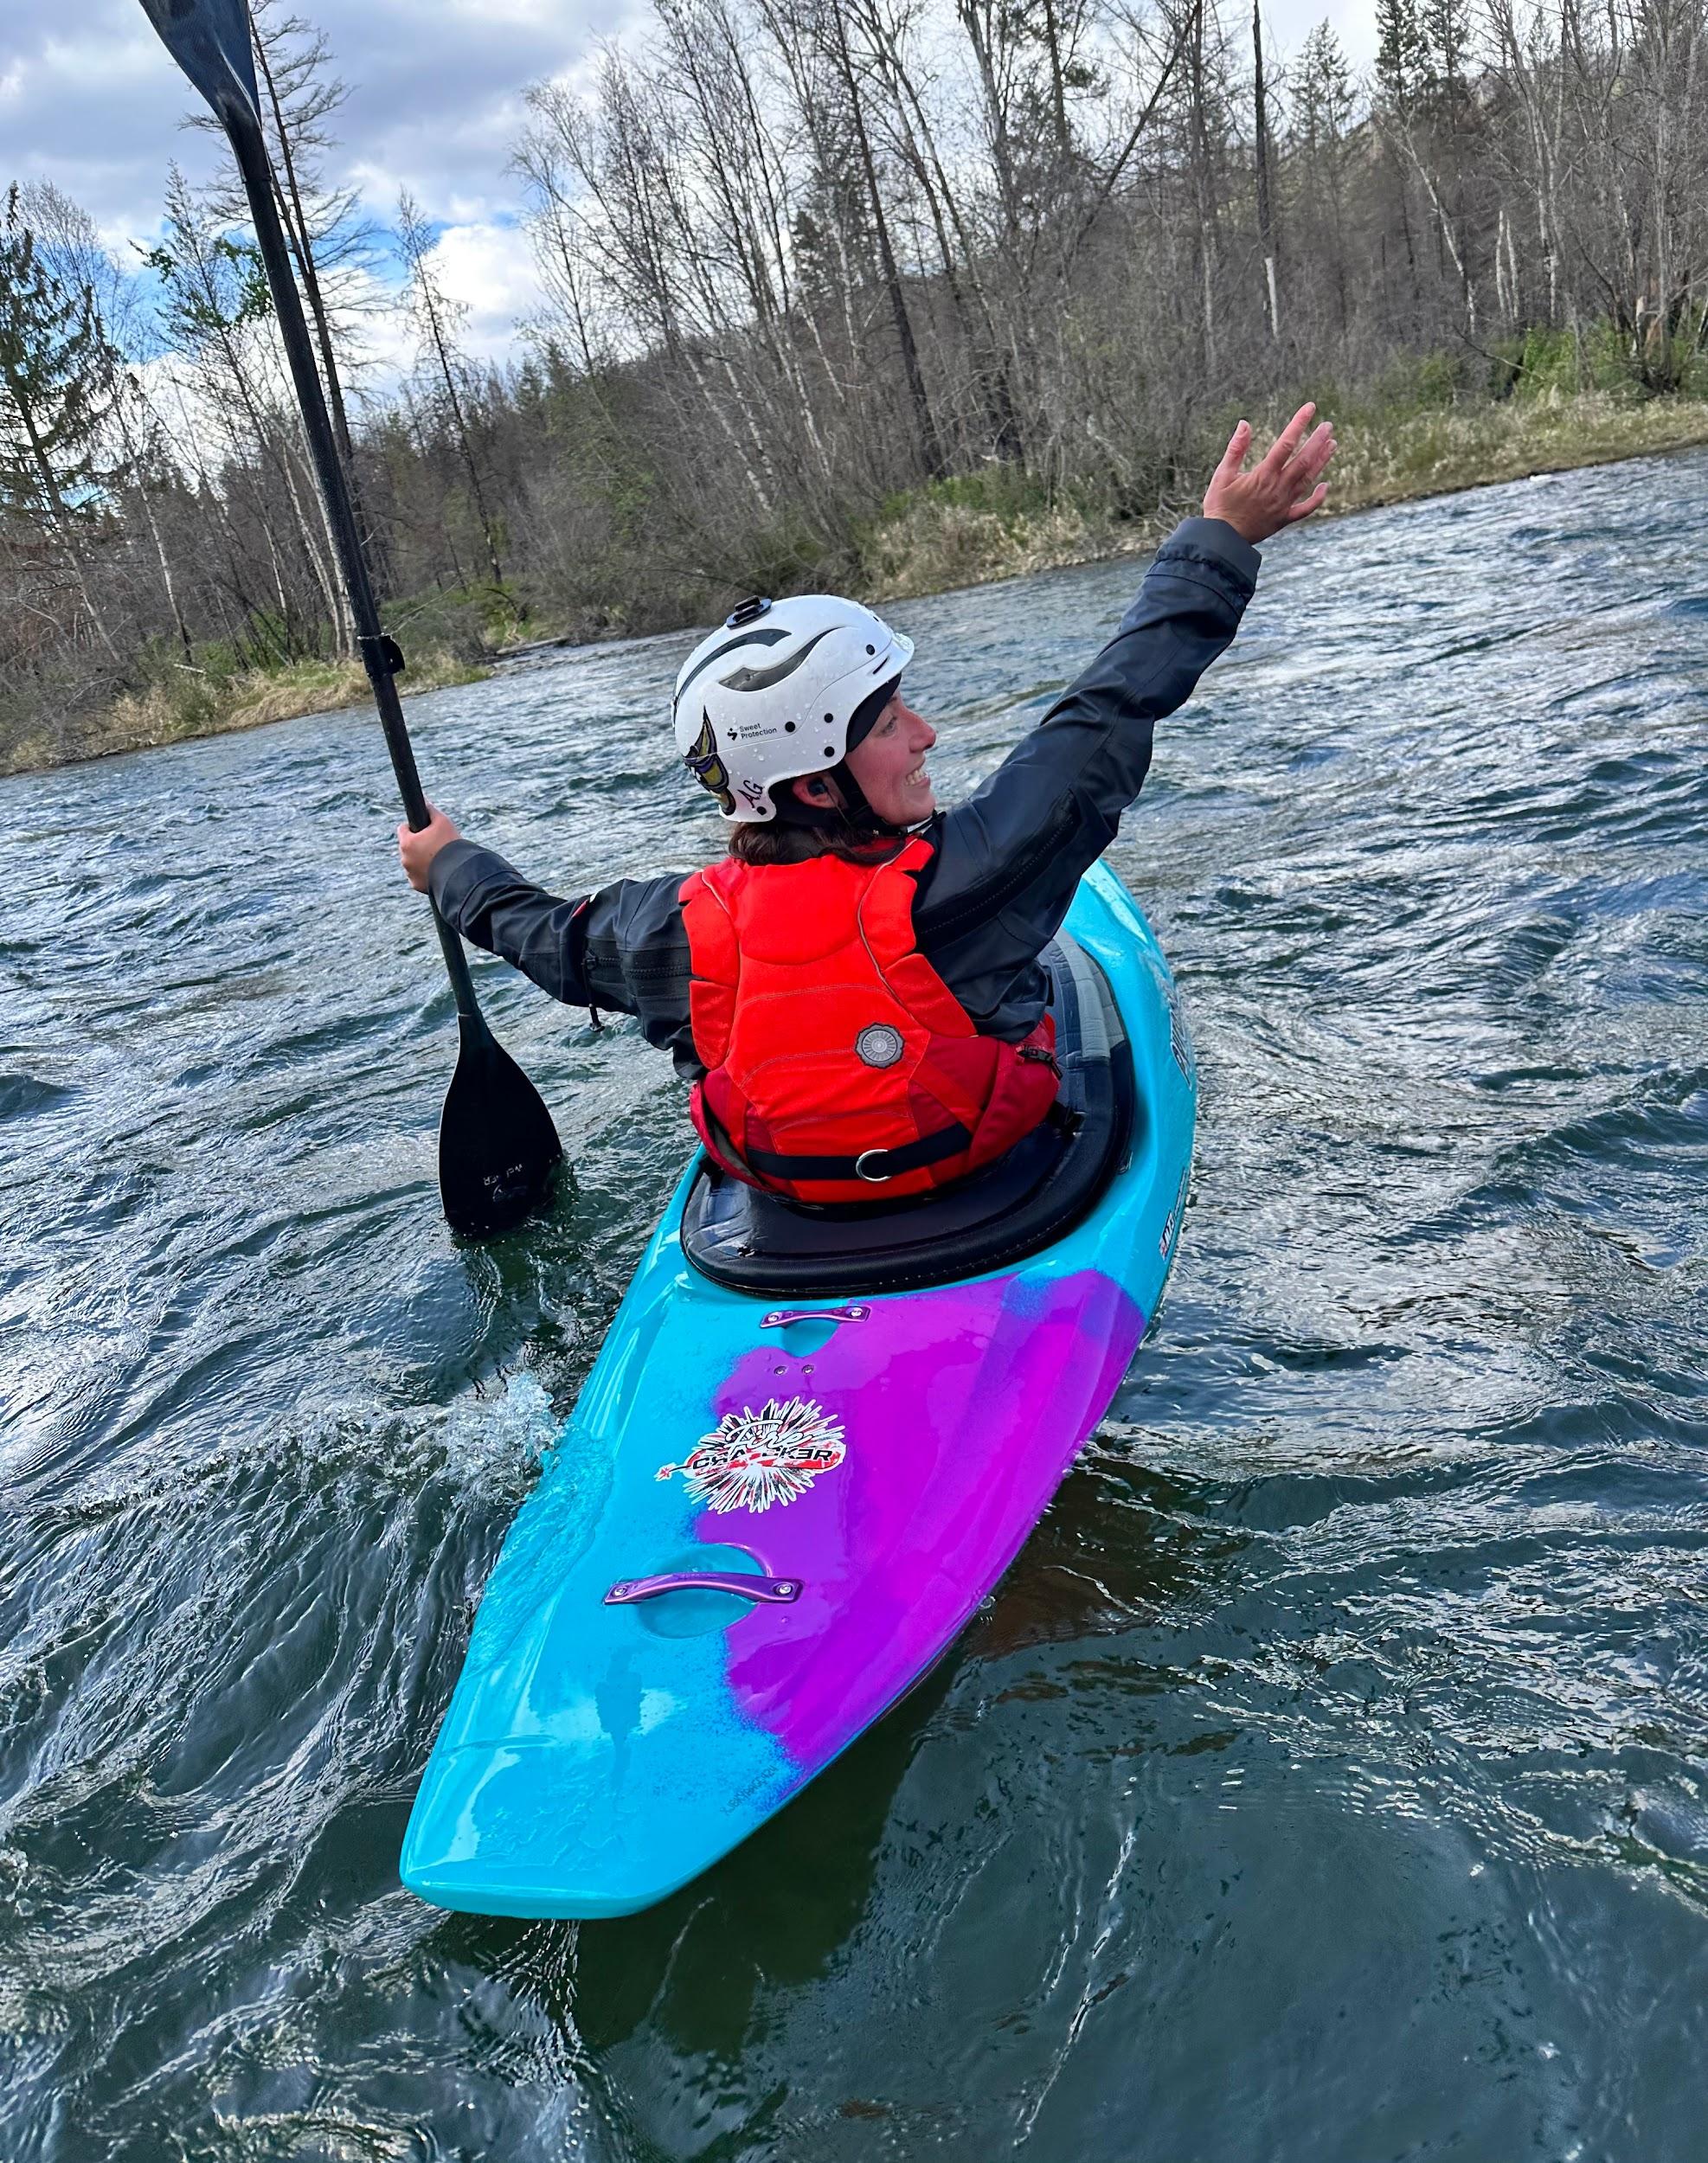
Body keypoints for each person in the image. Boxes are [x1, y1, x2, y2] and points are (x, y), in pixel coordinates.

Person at [400, 404, 1336, 1204]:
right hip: (995, 1182)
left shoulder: (664, 932)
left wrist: (445, 864)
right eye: (889, 721)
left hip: (787, 1214)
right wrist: (1221, 540)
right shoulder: (975, 877)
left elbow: (546, 935)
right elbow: (1113, 703)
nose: (925, 733)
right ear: (814, 782)